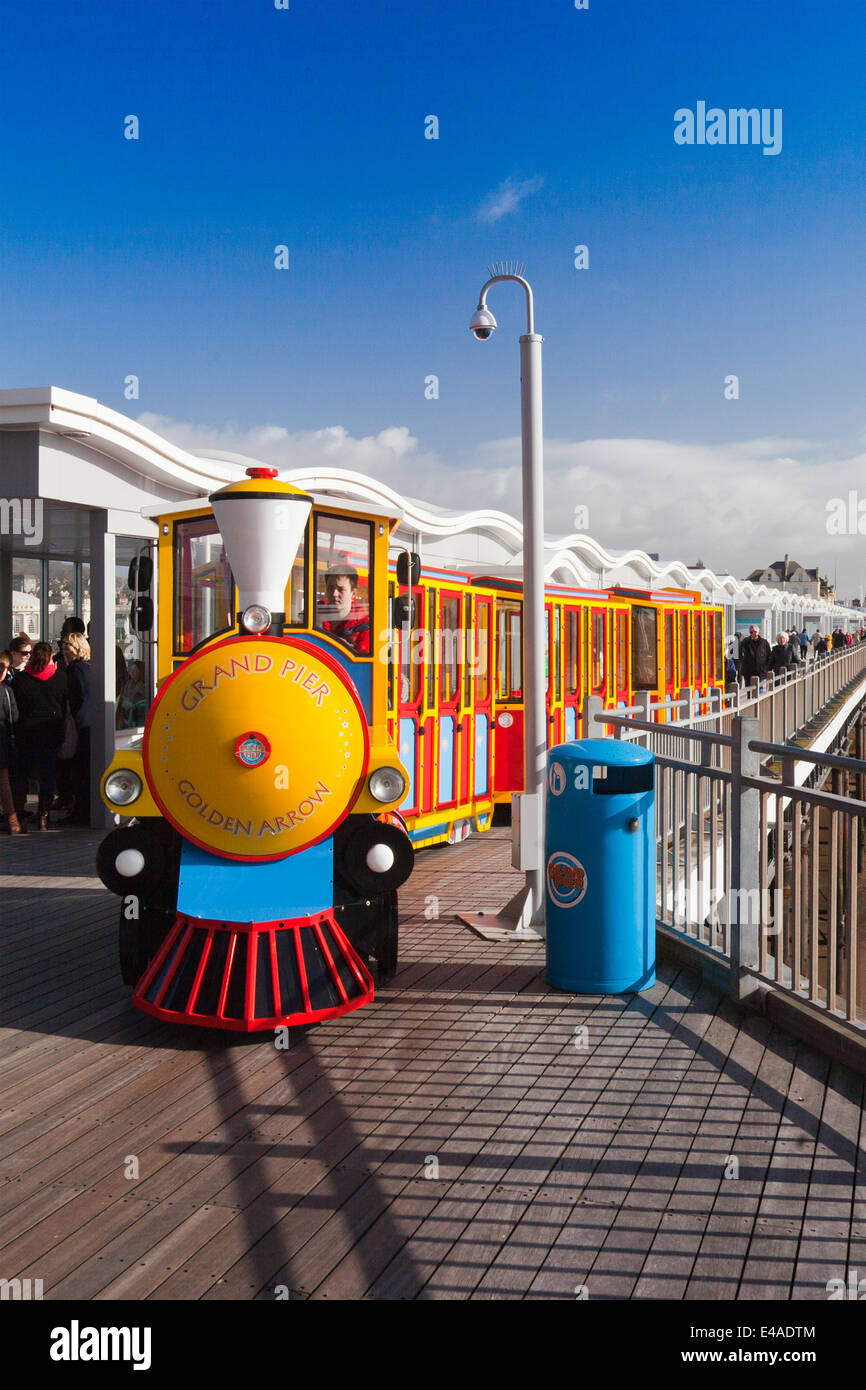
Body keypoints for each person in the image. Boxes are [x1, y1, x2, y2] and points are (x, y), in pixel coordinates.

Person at [11, 641, 68, 831]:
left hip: (26, 732)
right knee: (48, 776)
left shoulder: (20, 679)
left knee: (22, 775)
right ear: (51, 656)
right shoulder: (60, 677)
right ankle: (43, 815)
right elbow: (65, 705)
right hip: (51, 732)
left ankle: (18, 813)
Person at [62, 632, 92, 824]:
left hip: (80, 723)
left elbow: (76, 696)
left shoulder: (74, 670)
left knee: (79, 768)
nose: (65, 653)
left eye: (67, 649)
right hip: (89, 722)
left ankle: (80, 811)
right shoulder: (88, 668)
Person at [318, 564, 370, 654]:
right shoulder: (311, 615)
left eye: (341, 589)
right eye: (330, 588)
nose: (334, 594)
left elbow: (364, 664)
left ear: (353, 593)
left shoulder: (365, 626)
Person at [0, 653, 22, 834]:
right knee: (3, 782)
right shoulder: (7, 691)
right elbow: (14, 717)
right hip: (2, 741)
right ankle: (12, 820)